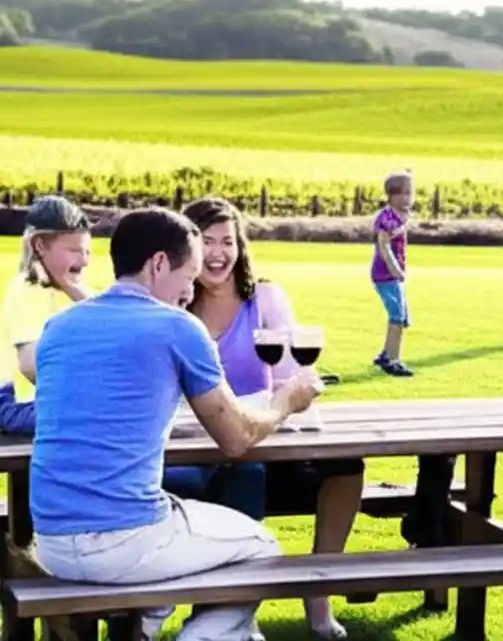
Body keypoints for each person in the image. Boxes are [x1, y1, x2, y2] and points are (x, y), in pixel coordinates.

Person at [29, 207, 323, 641]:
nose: (189, 291)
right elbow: (236, 438)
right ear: (158, 264)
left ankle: (143, 630)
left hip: (51, 539)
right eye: (188, 276)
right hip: (123, 539)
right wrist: (286, 402)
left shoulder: (58, 327)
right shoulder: (177, 327)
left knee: (179, 531)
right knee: (261, 548)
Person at [167, 197, 361, 640]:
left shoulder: (264, 299)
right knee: (241, 473)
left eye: (228, 241)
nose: (218, 253)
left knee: (346, 466)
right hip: (194, 444)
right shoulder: (175, 304)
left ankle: (318, 591)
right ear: (187, 247)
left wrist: (297, 393)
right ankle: (232, 611)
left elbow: (291, 380)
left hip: (262, 435)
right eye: (207, 241)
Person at [0, 195, 93, 435]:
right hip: (19, 403)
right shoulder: (29, 290)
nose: (84, 260)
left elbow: (114, 322)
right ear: (40, 246)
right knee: (107, 416)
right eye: (74, 250)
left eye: (87, 252)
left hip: (49, 400)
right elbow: (31, 366)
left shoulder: (68, 288)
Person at [371, 170, 415, 376]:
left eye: (409, 193)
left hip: (394, 275)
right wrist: (394, 267)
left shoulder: (400, 216)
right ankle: (393, 360)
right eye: (402, 193)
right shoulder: (387, 218)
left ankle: (385, 354)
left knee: (403, 317)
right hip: (385, 275)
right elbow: (383, 245)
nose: (406, 198)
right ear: (391, 195)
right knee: (397, 315)